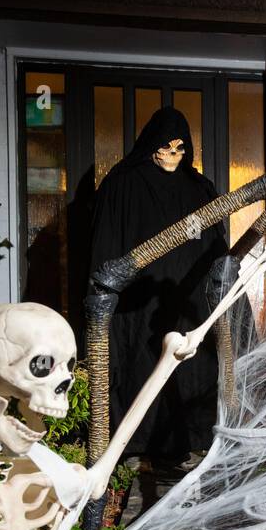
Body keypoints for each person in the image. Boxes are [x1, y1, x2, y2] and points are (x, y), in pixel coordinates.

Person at [86, 107, 227, 505]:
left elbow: (216, 248)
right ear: (151, 146)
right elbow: (105, 243)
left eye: (181, 148)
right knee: (135, 368)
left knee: (189, 372)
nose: (173, 154)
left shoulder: (200, 190)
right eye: (165, 147)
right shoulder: (123, 184)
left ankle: (188, 442)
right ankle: (133, 447)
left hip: (185, 301)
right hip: (136, 303)